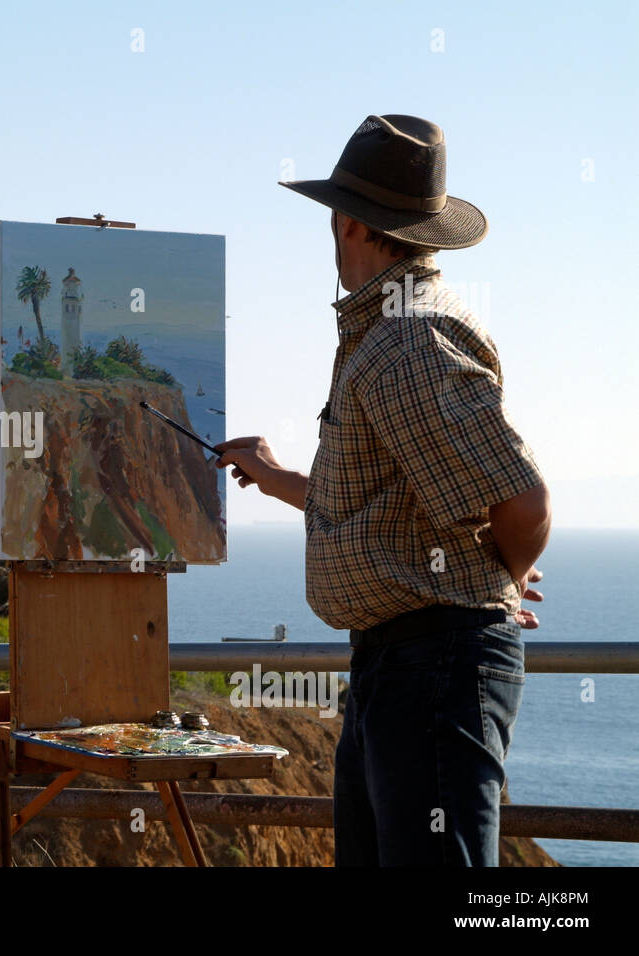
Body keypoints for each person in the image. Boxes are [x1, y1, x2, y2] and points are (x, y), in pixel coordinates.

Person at [216, 115, 551, 866]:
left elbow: (523, 505)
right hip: (400, 667)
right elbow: (393, 508)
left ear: (353, 224)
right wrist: (277, 481)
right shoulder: (390, 333)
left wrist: (492, 582)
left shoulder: (406, 340)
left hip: (432, 669)